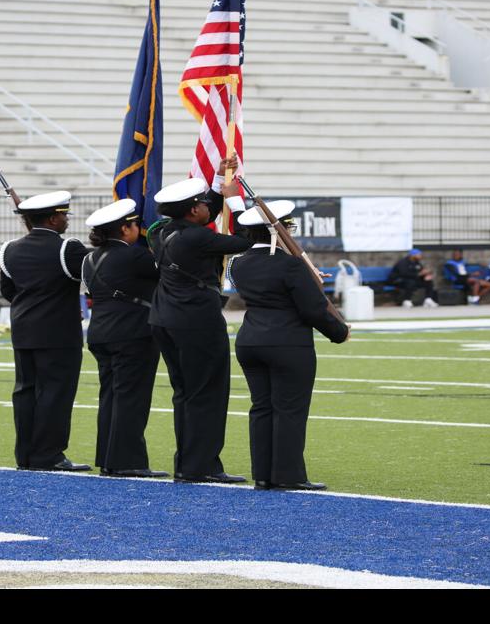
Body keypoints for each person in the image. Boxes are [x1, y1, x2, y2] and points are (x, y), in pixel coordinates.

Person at [229, 201, 350, 490]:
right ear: (276, 231)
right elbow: (312, 308)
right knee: (290, 410)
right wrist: (339, 331)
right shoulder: (290, 264)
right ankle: (289, 475)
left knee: (261, 408)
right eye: (288, 228)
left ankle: (263, 473)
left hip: (250, 341)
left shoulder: (239, 262)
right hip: (287, 343)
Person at [150, 158, 250, 484]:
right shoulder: (196, 238)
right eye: (203, 204)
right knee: (208, 392)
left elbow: (208, 215)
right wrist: (235, 198)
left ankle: (189, 463)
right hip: (196, 320)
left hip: (166, 319)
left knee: (186, 393)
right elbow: (247, 239)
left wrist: (223, 178)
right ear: (193, 211)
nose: (209, 206)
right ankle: (202, 466)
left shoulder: (161, 232)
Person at [0, 189, 92, 472]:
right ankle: (49, 455)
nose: (66, 221)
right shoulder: (68, 248)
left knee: (25, 392)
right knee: (55, 394)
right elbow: (95, 274)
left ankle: (25, 455)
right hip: (59, 334)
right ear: (52, 219)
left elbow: (9, 292)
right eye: (63, 216)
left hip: (24, 331)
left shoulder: (9, 249)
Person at [82, 198, 168, 479]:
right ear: (124, 229)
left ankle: (108, 458)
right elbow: (165, 276)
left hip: (100, 333)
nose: (137, 229)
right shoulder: (135, 256)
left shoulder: (89, 259)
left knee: (109, 396)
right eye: (134, 225)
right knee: (132, 398)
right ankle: (128, 461)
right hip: (132, 334)